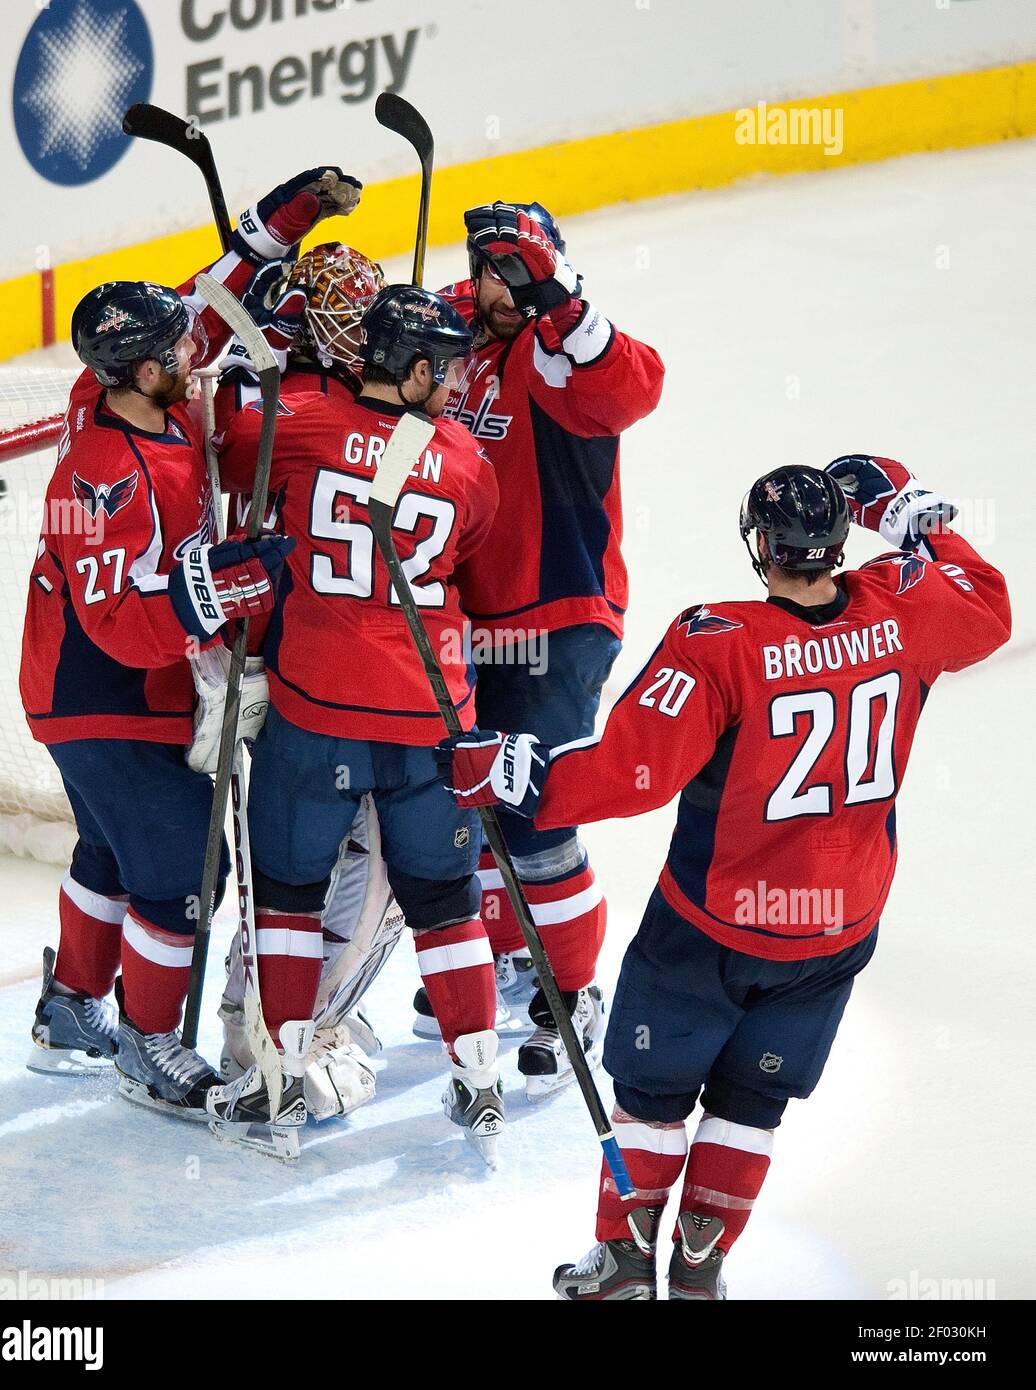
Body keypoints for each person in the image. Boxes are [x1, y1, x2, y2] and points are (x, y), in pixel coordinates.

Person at [437, 456, 1010, 1297]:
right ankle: (702, 1268)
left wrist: (523, 778)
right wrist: (920, 522)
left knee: (651, 1095)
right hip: (838, 928)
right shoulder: (907, 605)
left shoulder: (720, 639)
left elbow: (635, 771)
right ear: (840, 536)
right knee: (752, 1103)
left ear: (762, 546)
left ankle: (627, 1260)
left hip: (710, 928)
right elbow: (989, 613)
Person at [20, 167, 361, 1119]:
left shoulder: (152, 406)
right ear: (136, 370)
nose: (190, 354)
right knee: (177, 870)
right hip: (99, 691)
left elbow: (208, 307)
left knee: (109, 851)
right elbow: (123, 626)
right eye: (172, 352)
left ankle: (72, 1008)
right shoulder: (98, 470)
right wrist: (223, 585)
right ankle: (149, 1044)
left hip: (116, 688)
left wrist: (285, 224)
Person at [207, 284, 503, 1164]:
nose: (453, 382)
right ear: (411, 370)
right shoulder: (466, 463)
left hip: (317, 711)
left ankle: (281, 1078)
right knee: (446, 903)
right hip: (430, 717)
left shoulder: (301, 423)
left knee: (290, 897)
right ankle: (477, 1078)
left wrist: (254, 348)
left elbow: (228, 445)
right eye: (443, 368)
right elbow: (468, 547)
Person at [420, 200, 665, 1096]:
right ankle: (510, 953)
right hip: (462, 622)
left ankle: (572, 996)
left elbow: (636, 386)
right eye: (489, 272)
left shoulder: (562, 346)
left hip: (561, 618)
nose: (499, 289)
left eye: (517, 272)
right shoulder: (452, 329)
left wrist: (547, 293)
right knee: (467, 800)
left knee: (533, 810)